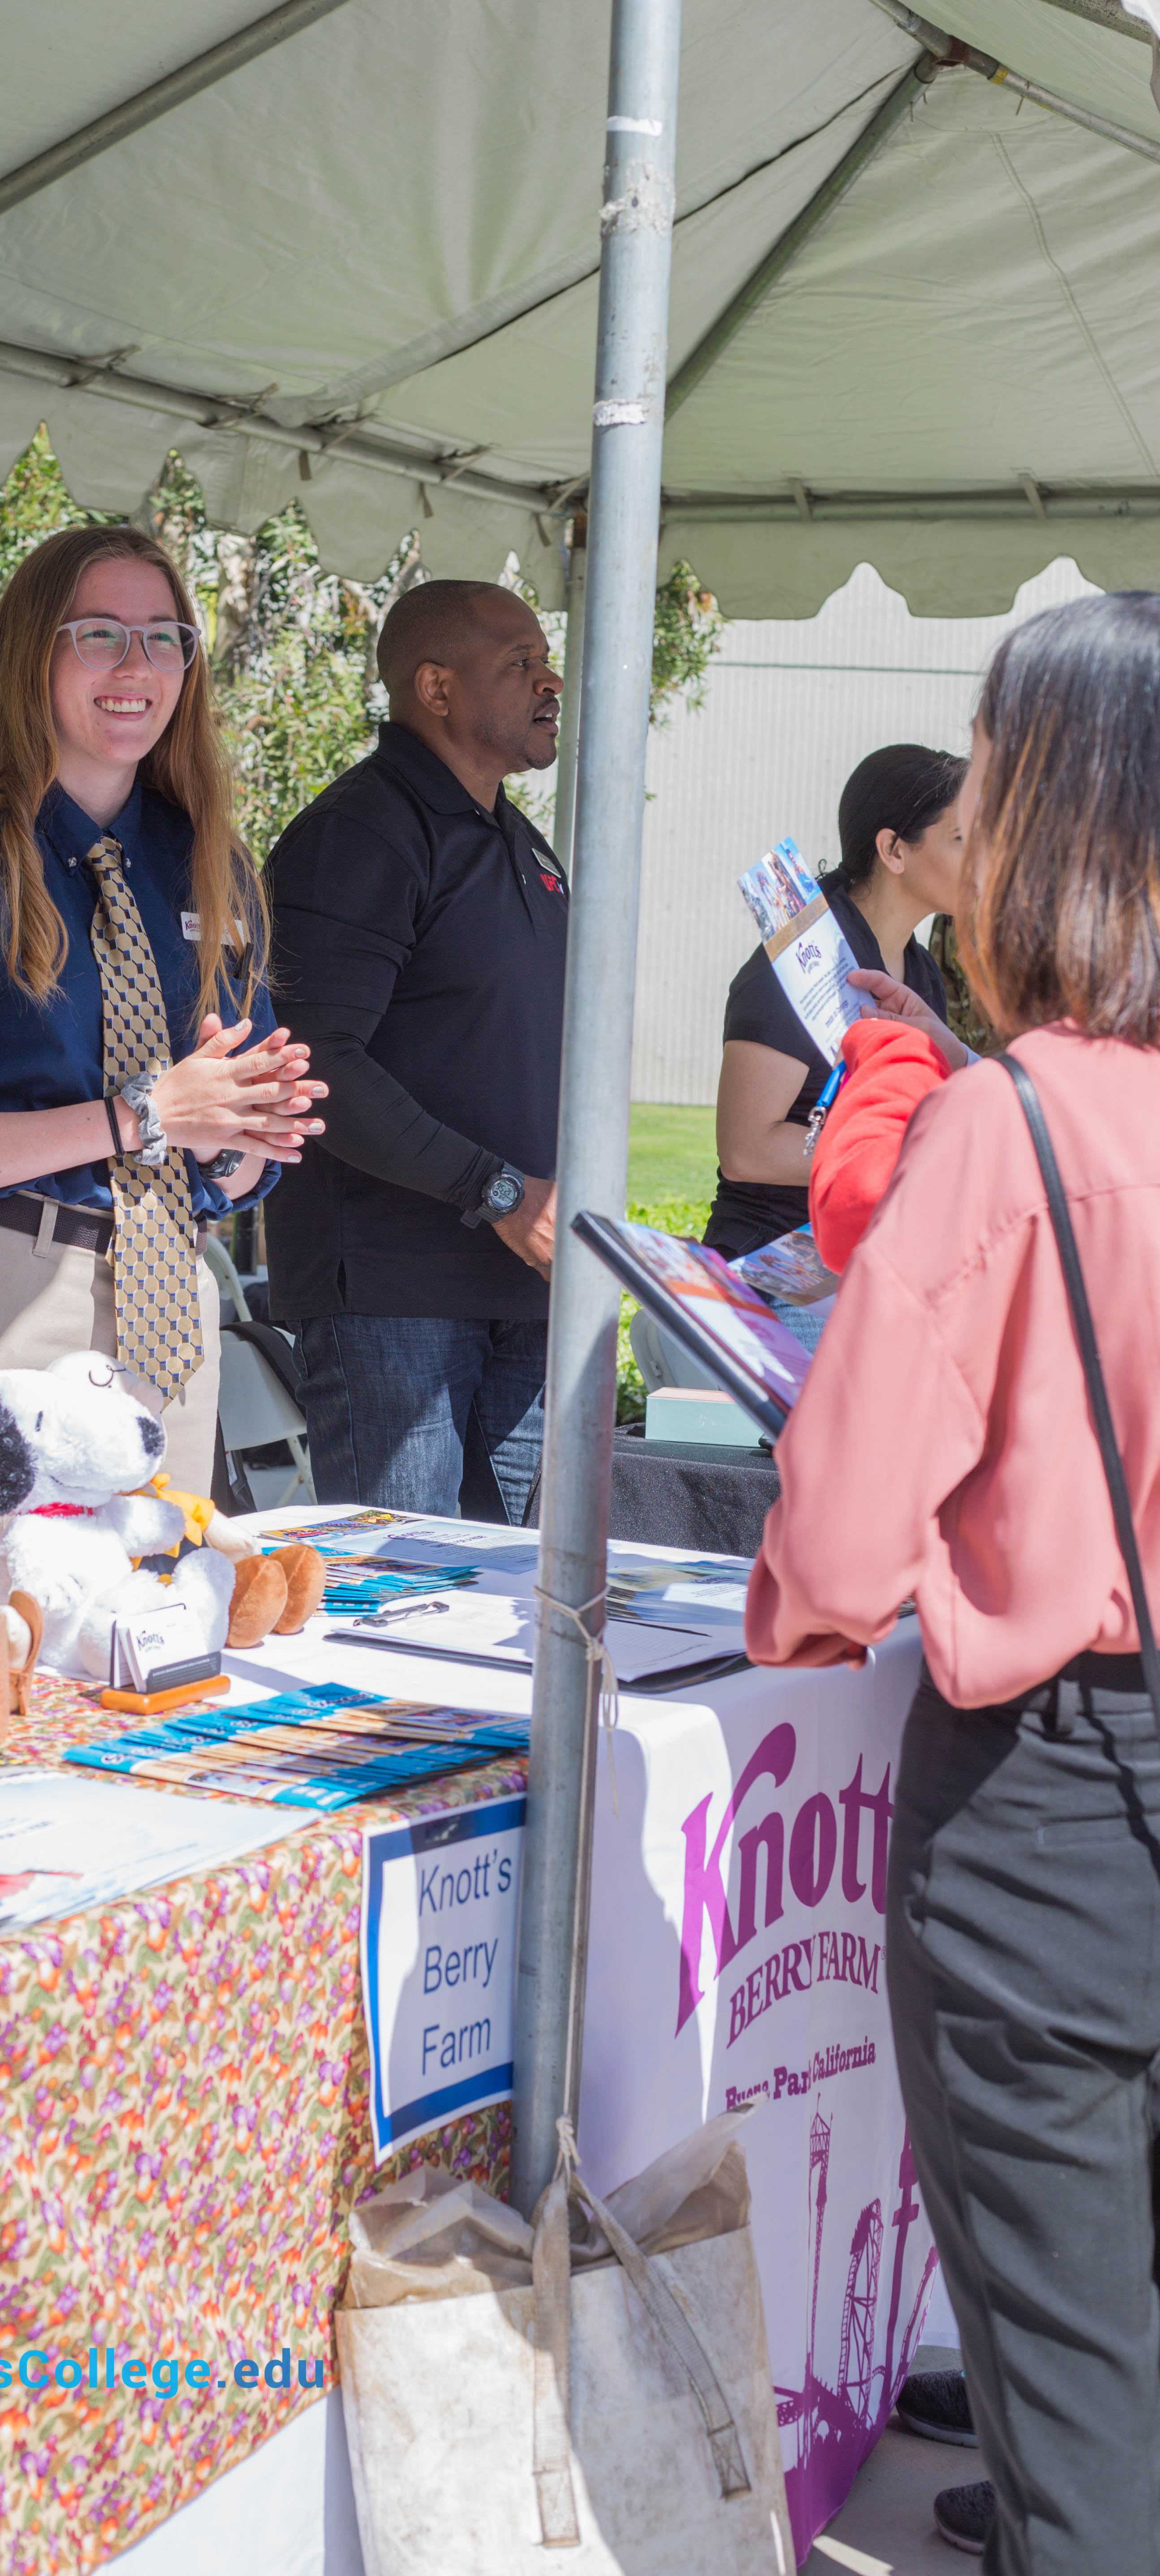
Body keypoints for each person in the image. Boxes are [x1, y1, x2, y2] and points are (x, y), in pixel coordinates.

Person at [745, 591, 1160, 2567]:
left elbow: (829, 1543)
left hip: (1054, 1815)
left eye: (991, 771)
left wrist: (834, 1607)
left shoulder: (1014, 1120)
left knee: (1071, 2388)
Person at [0, 526, 323, 1496]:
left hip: (173, 1302)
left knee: (159, 1605)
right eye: (98, 634)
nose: (135, 665)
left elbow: (231, 1151)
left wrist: (245, 1130)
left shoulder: (207, 857)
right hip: (4, 1283)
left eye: (164, 637)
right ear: (33, 652)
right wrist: (146, 1116)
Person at [264, 579, 566, 1520]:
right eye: (519, 664)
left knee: (525, 1609)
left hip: (520, 1286)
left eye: (544, 660)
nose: (549, 681)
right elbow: (315, 1061)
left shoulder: (520, 840)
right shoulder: (358, 836)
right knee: (404, 1594)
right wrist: (500, 1190)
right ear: (435, 689)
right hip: (393, 1297)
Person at [704, 744, 966, 1260]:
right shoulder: (800, 964)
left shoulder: (921, 974)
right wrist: (897, 1153)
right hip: (775, 1272)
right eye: (963, 839)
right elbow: (746, 1150)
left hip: (863, 1263)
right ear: (893, 850)